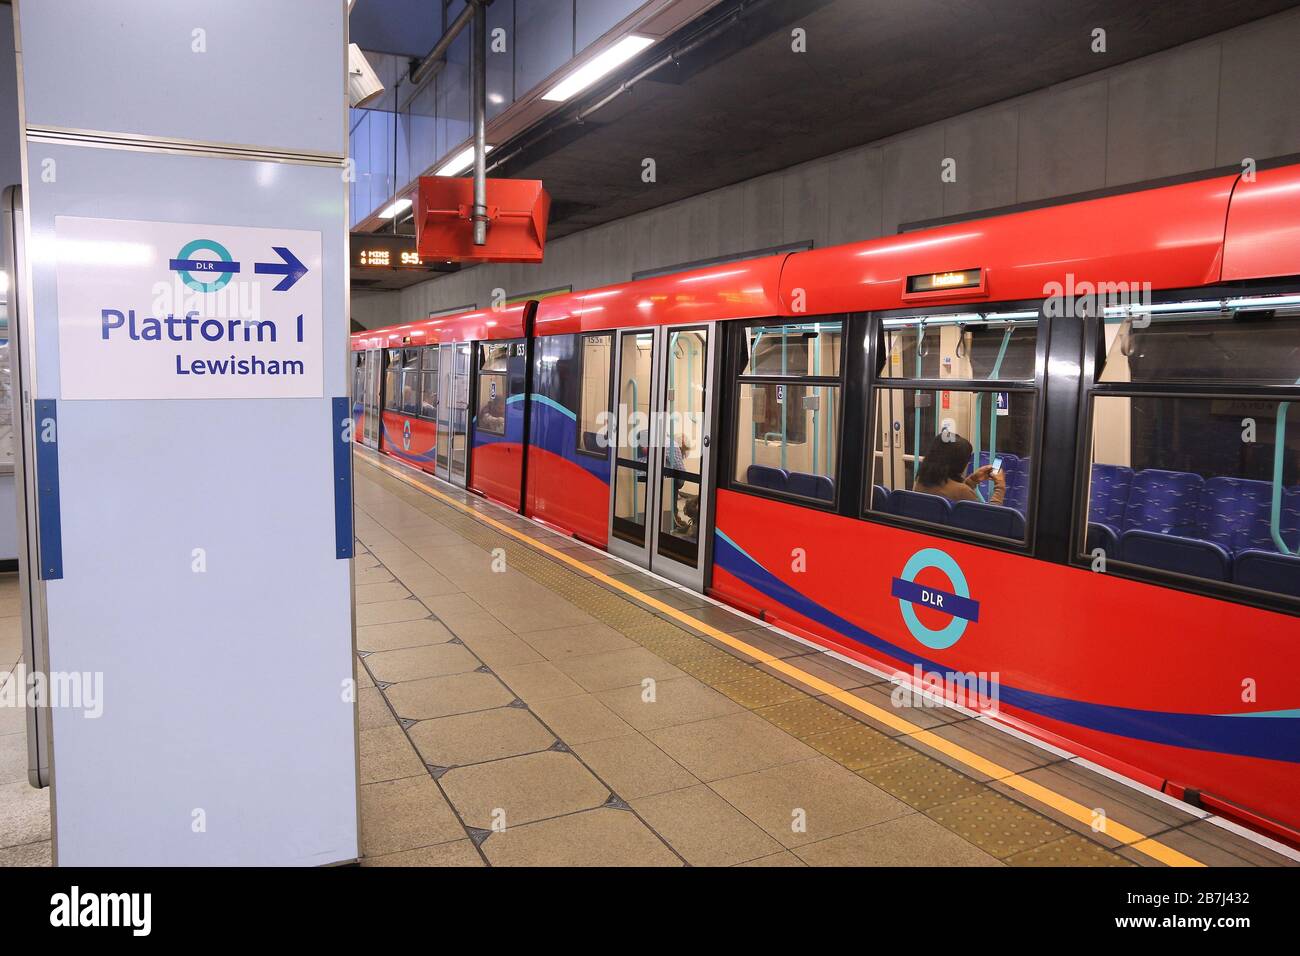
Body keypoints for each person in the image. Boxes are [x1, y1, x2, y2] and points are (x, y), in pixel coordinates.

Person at [913, 433, 1005, 505]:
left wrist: (972, 480)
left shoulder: (920, 482)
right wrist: (1000, 487)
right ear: (958, 463)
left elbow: (952, 493)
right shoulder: (962, 492)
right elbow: (990, 519)